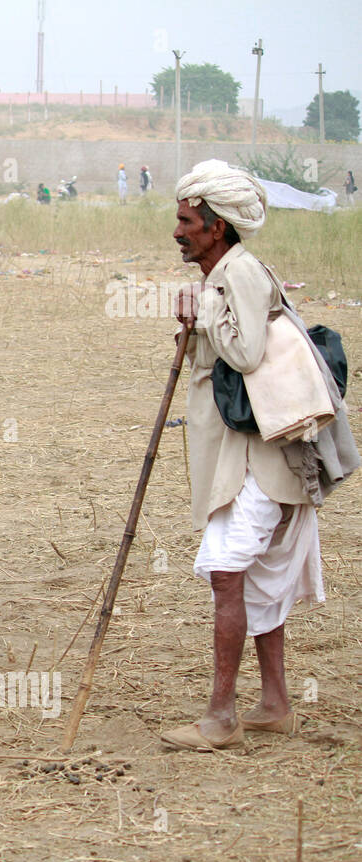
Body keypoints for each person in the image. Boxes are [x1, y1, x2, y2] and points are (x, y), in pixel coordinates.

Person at [163, 160, 358, 751]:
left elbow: (244, 353)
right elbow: (220, 358)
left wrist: (202, 316)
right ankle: (273, 704)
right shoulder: (226, 273)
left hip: (259, 462)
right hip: (254, 458)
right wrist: (194, 328)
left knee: (228, 575)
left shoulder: (237, 275)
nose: (178, 231)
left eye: (187, 221)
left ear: (216, 227)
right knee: (260, 581)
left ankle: (220, 718)